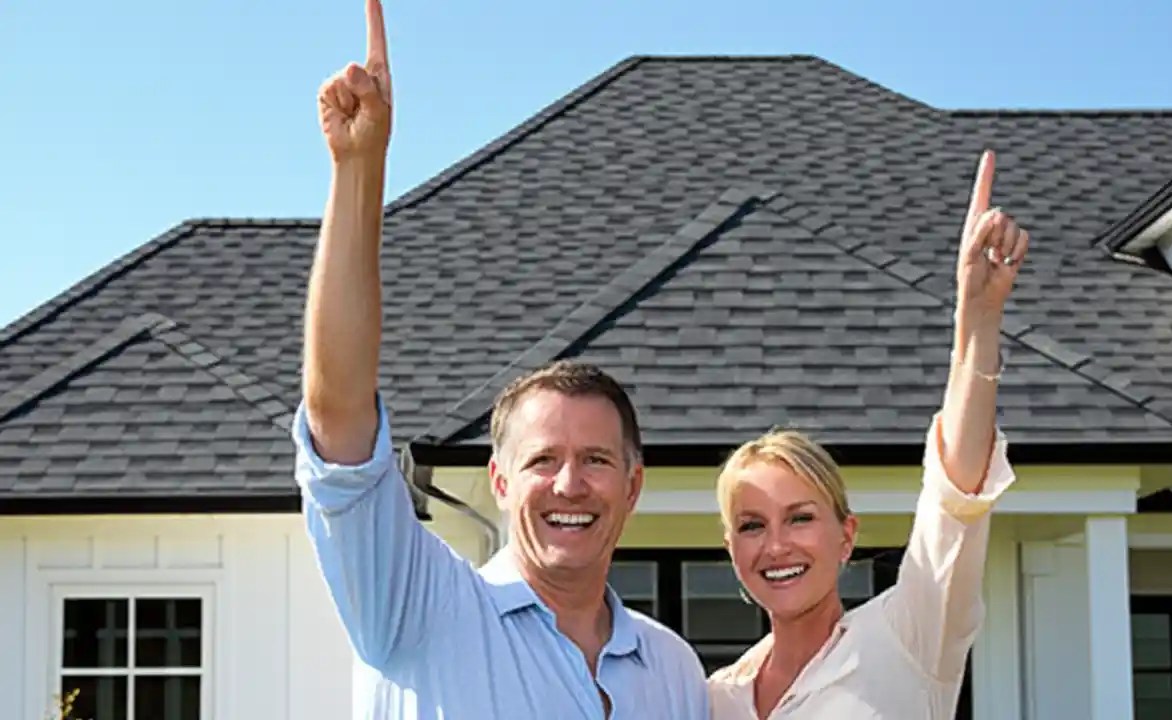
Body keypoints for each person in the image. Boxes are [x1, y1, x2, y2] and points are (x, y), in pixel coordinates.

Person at [291, 2, 710, 717]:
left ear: (634, 485)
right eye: (542, 459)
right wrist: (359, 170)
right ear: (501, 481)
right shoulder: (420, 611)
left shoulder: (672, 669)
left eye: (597, 461)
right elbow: (338, 413)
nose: (569, 484)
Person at [706, 150, 1026, 718]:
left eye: (801, 517)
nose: (776, 544)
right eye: (753, 525)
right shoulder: (713, 698)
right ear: (733, 552)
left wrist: (976, 319)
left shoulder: (911, 635)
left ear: (846, 536)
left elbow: (955, 496)